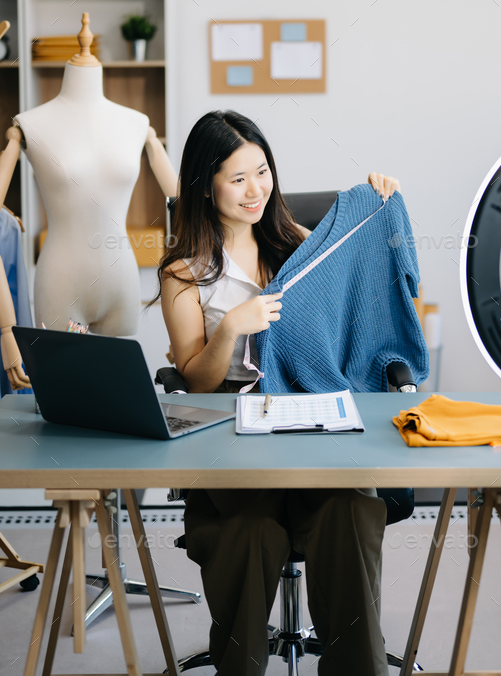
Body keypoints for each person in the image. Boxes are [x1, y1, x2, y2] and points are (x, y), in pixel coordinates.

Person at [159, 110, 401, 676]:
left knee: (348, 507)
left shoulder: (302, 244)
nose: (255, 190)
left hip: (311, 422)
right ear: (205, 184)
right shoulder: (184, 271)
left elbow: (366, 289)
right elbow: (195, 378)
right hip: (234, 431)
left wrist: (379, 205)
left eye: (262, 172)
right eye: (237, 178)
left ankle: (357, 668)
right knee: (250, 531)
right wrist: (230, 328)